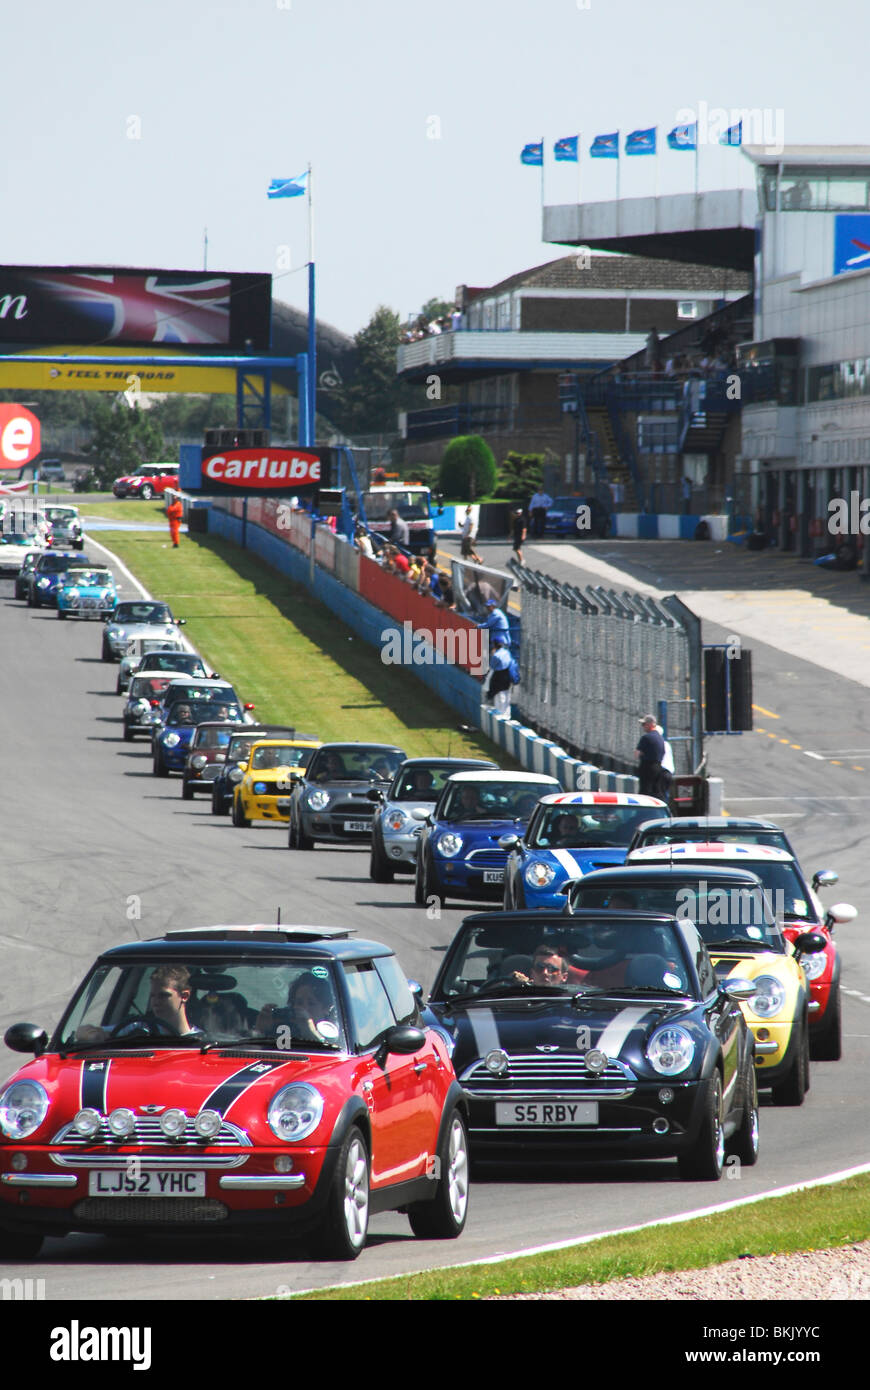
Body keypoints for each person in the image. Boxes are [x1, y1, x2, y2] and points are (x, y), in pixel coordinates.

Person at [147, 965, 202, 1036]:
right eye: (153, 996)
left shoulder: (202, 1041)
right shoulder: (138, 1035)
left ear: (184, 996)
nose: (156, 1002)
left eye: (163, 995)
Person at [636, 714, 667, 798]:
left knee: (645, 791)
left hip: (647, 766)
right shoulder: (660, 738)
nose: (643, 727)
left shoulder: (646, 737)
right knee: (656, 791)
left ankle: (643, 810)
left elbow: (637, 753)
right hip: (658, 766)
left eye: (644, 724)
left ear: (650, 724)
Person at [484, 637, 513, 714]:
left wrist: (492, 654)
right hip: (508, 675)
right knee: (506, 695)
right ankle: (507, 714)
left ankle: (500, 713)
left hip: (499, 676)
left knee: (498, 696)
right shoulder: (507, 652)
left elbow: (492, 667)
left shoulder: (496, 655)